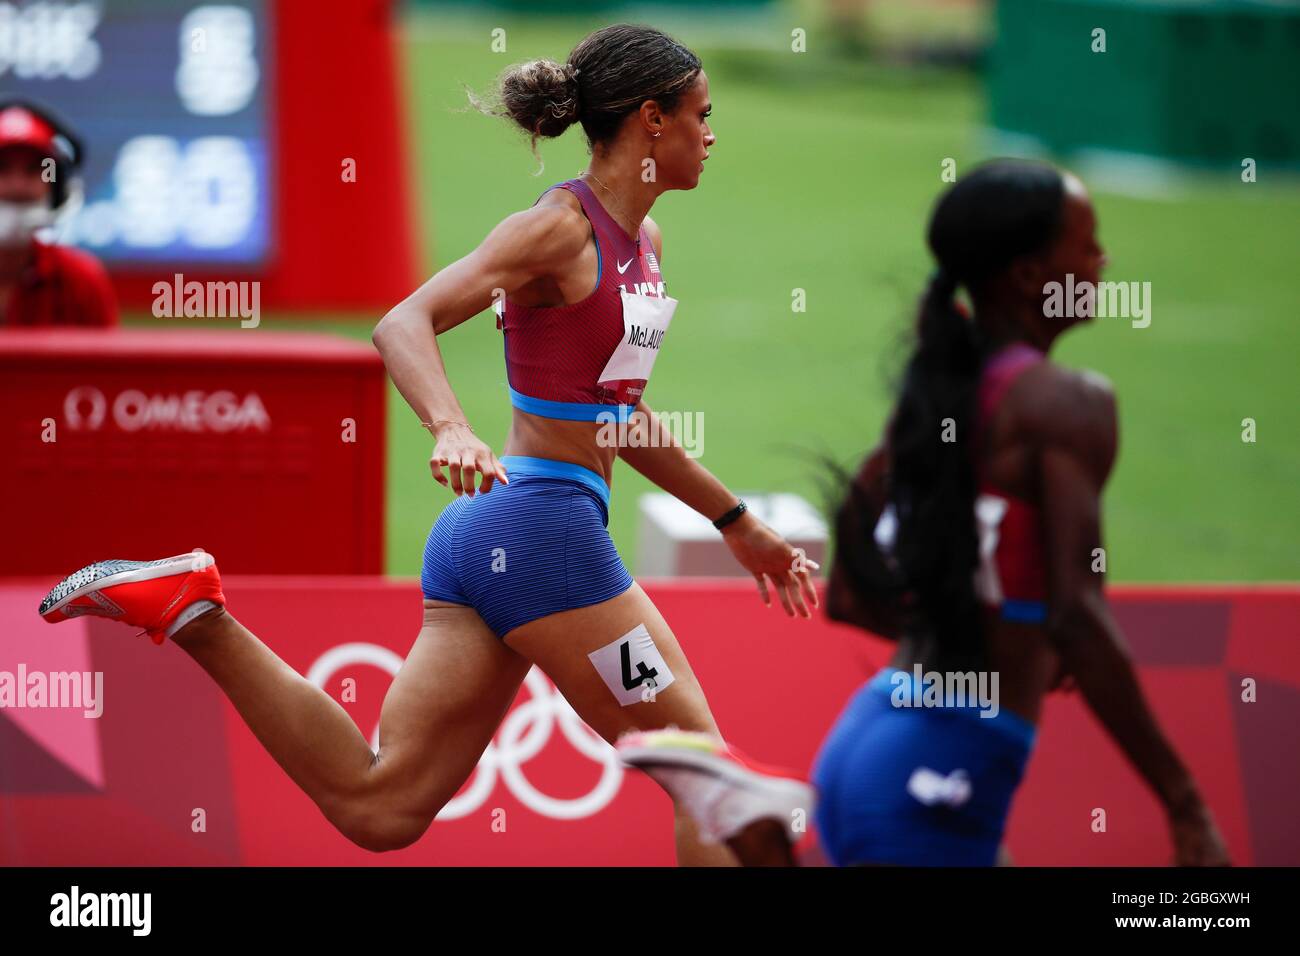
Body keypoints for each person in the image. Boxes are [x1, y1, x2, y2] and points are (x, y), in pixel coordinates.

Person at [37, 24, 818, 866]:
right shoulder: (558, 229)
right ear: (652, 122)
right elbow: (401, 321)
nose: (712, 133)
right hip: (543, 534)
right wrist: (449, 424)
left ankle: (194, 613)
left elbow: (620, 416)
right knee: (706, 775)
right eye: (702, 114)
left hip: (491, 539)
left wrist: (734, 520)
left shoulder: (647, 248)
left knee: (381, 805)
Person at [619, 159, 1231, 868]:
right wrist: (1183, 800)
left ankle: (765, 829)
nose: (1102, 261)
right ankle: (762, 840)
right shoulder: (1069, 405)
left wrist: (992, 632)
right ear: (1032, 274)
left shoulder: (942, 397)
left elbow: (849, 593)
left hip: (876, 735)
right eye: (1086, 244)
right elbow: (1077, 613)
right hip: (950, 762)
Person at [0, 97, 117, 328]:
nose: (18, 185)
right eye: (1, 168)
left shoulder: (81, 281)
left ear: (56, 188)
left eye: (36, 170)